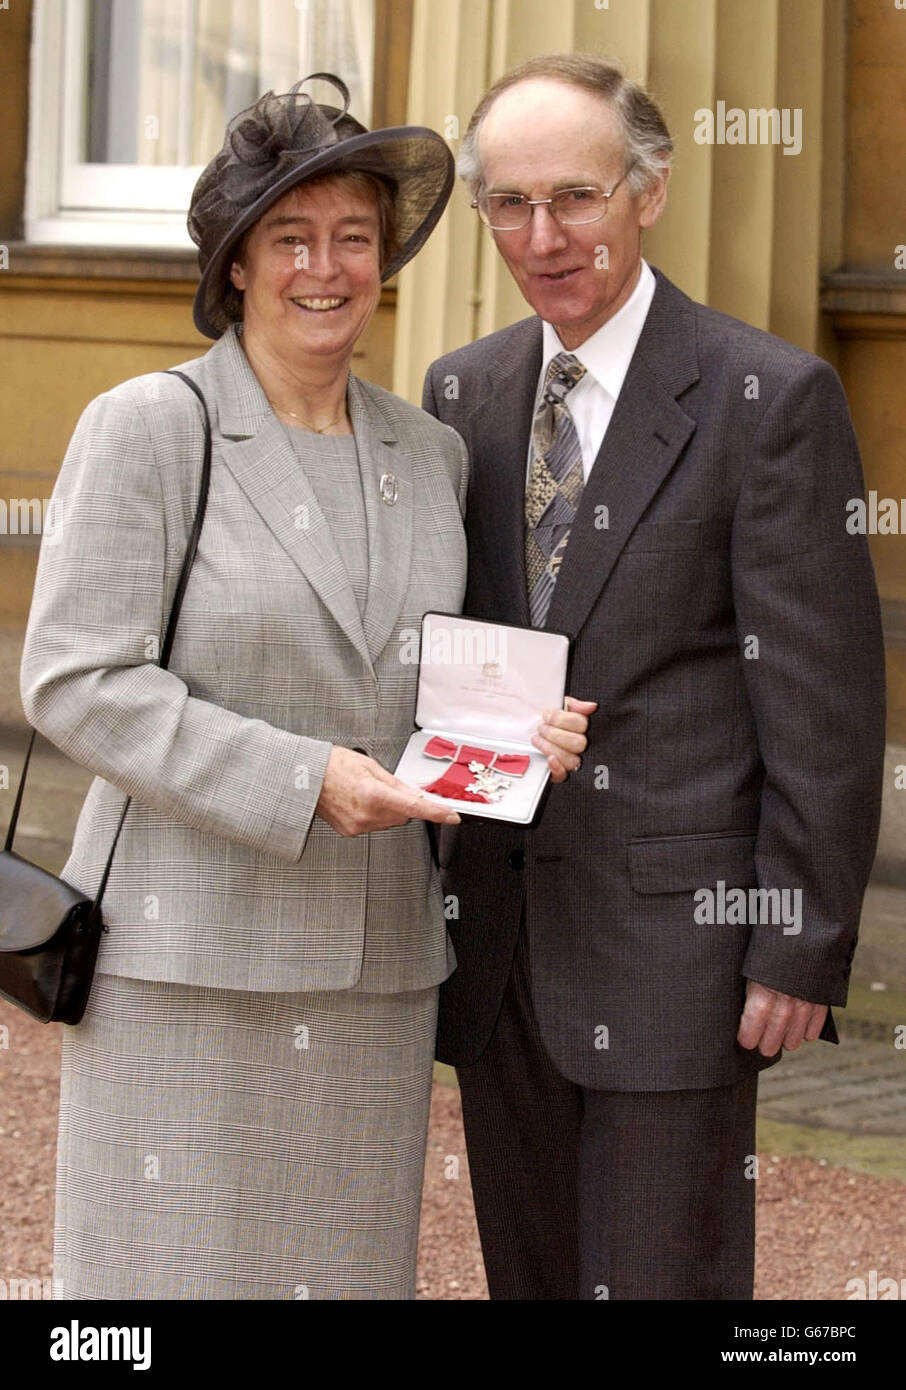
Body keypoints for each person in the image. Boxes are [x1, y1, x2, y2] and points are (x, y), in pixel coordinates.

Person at [19, 71, 588, 1301]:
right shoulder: (149, 427)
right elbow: (77, 682)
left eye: (354, 238)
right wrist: (301, 780)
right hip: (186, 962)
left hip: (376, 969)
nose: (326, 268)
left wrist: (512, 735)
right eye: (290, 238)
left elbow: (430, 682)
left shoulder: (431, 453)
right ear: (236, 264)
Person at [422, 53, 886, 1300]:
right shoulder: (461, 392)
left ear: (650, 192)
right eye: (510, 204)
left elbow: (827, 707)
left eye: (576, 196)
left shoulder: (768, 398)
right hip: (499, 946)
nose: (543, 237)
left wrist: (798, 941)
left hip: (679, 954)